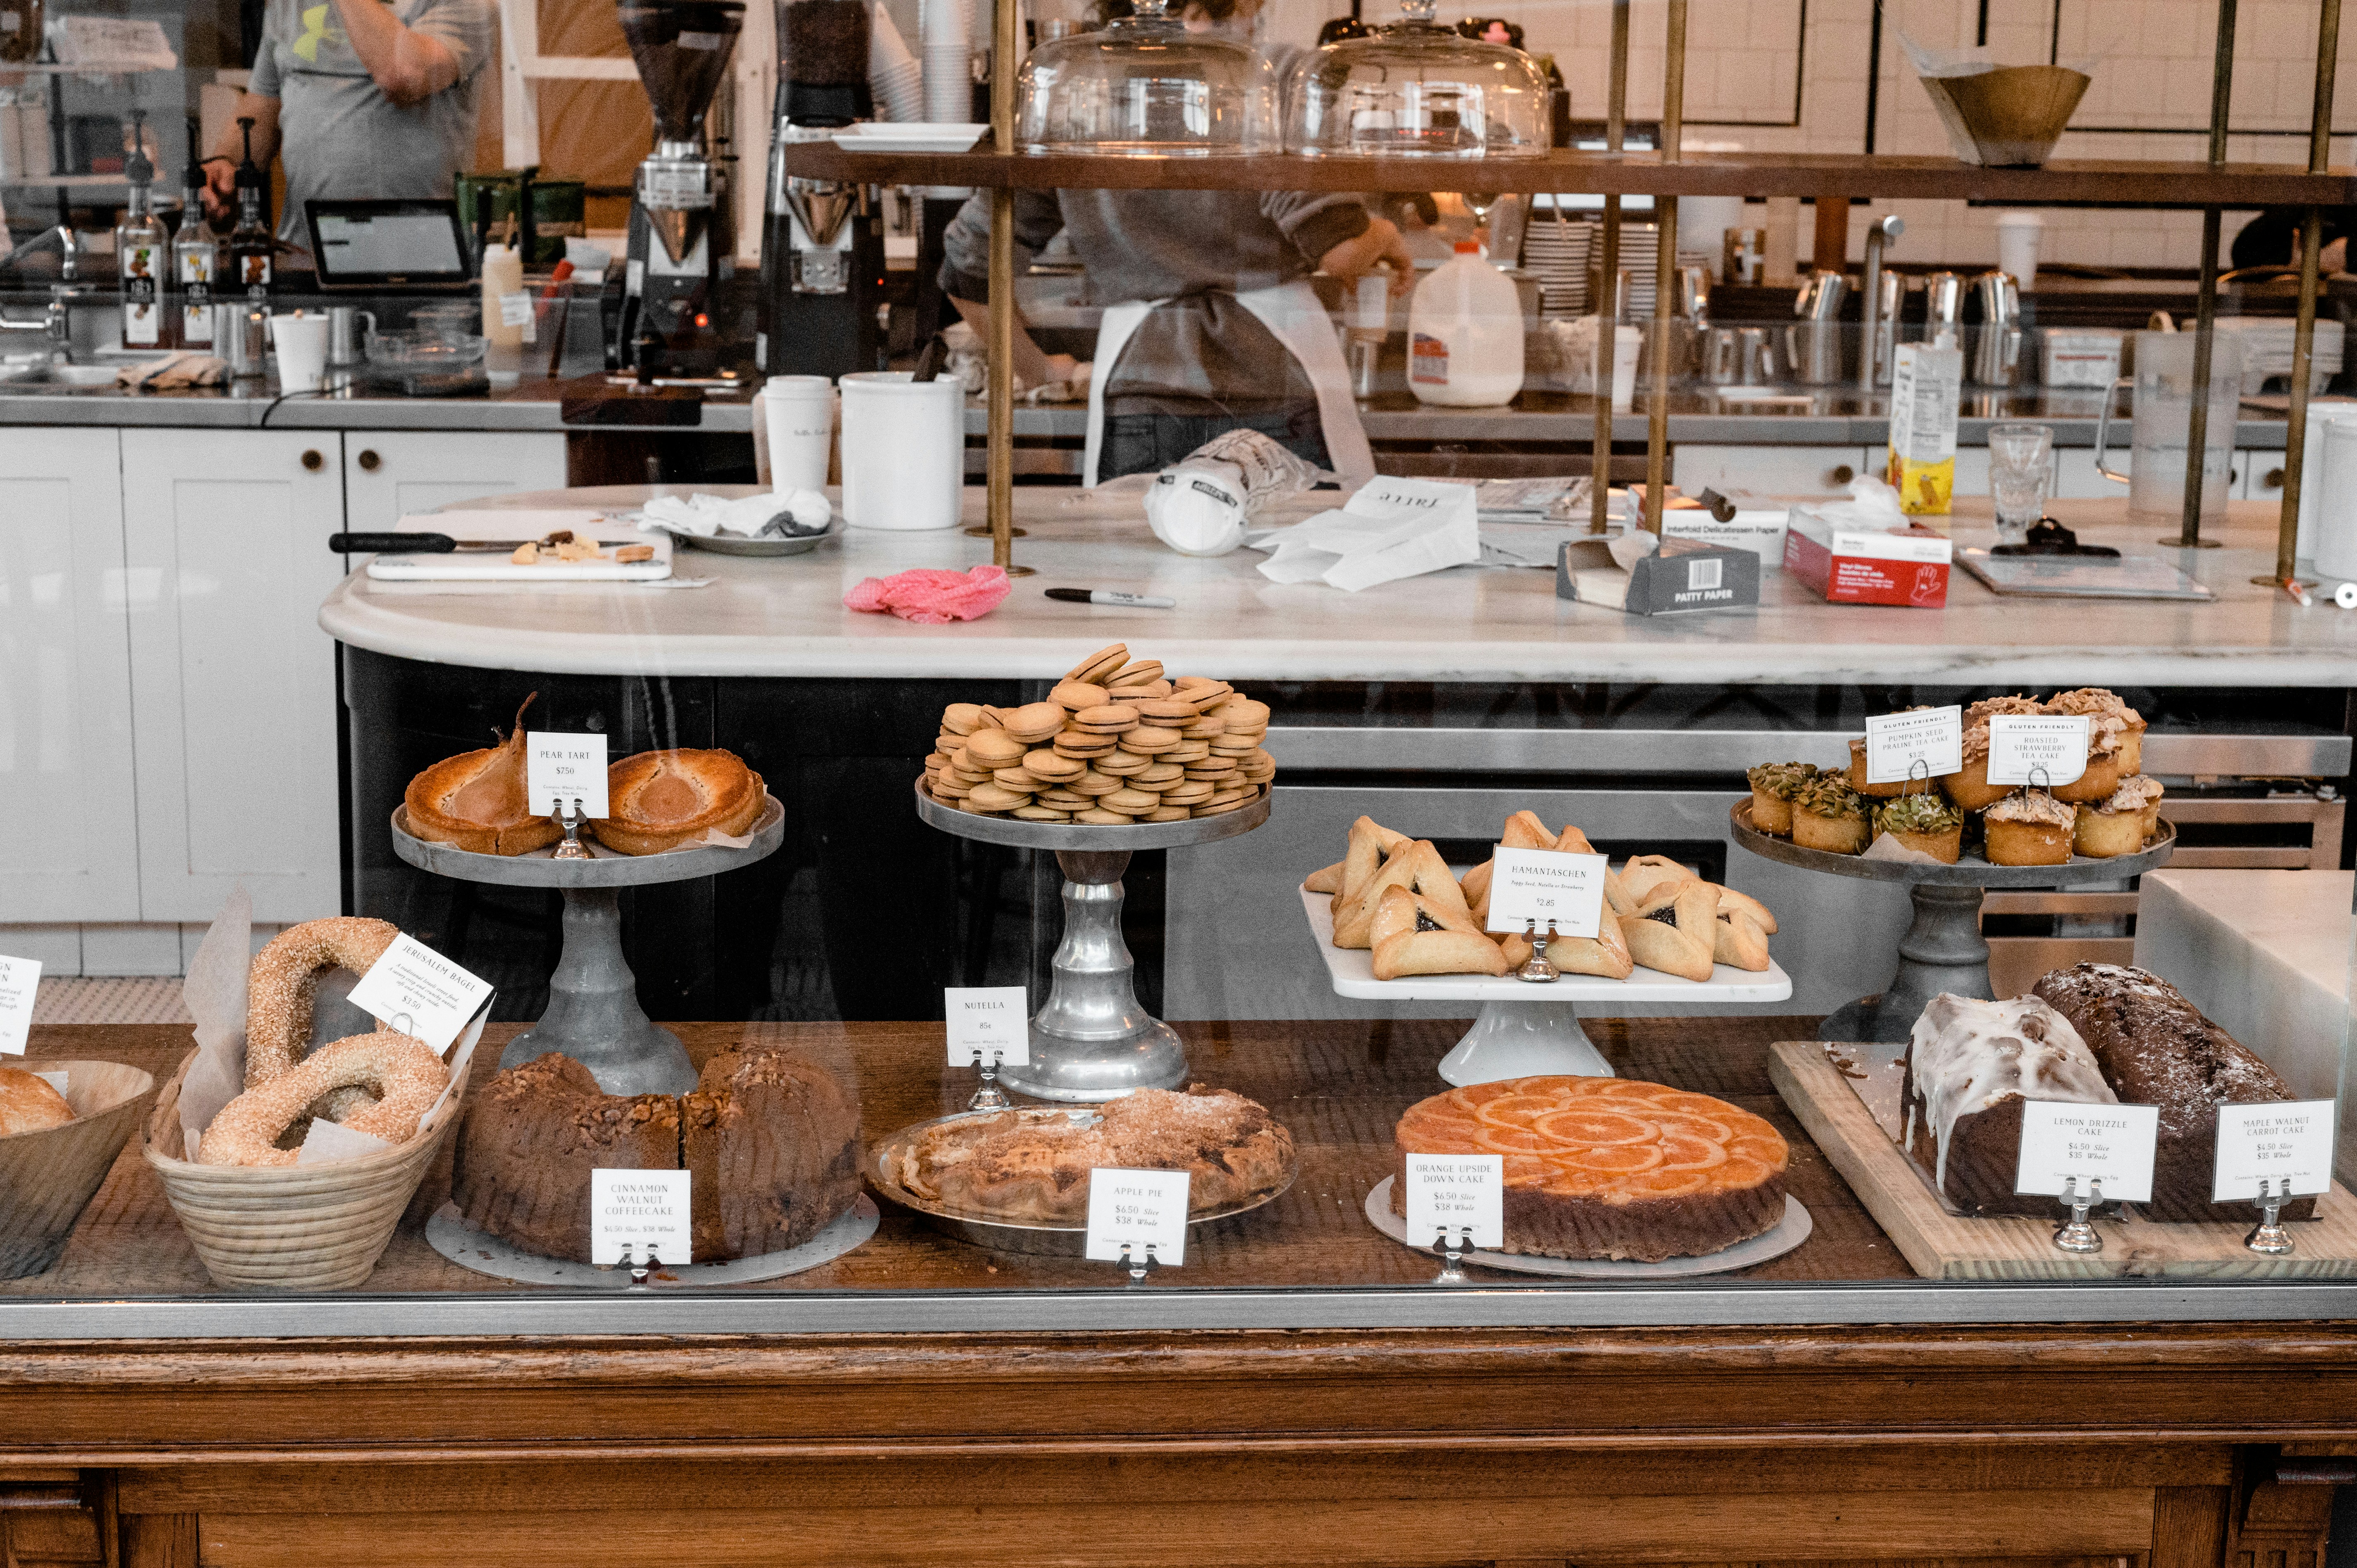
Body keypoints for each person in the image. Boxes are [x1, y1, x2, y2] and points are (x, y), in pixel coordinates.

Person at [939, 0, 1412, 485]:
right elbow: (1342, 252)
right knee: (1293, 550)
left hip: (1141, 385)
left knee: (1142, 552)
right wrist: (1387, 234)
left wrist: (1037, 369)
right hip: (1277, 381)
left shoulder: (1070, 90)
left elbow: (969, 267)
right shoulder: (1273, 76)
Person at [202, 0, 496, 243]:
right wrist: (226, 163)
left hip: (414, 256)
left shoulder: (466, 4)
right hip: (307, 254)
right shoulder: (290, 5)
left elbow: (402, 74)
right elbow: (263, 104)